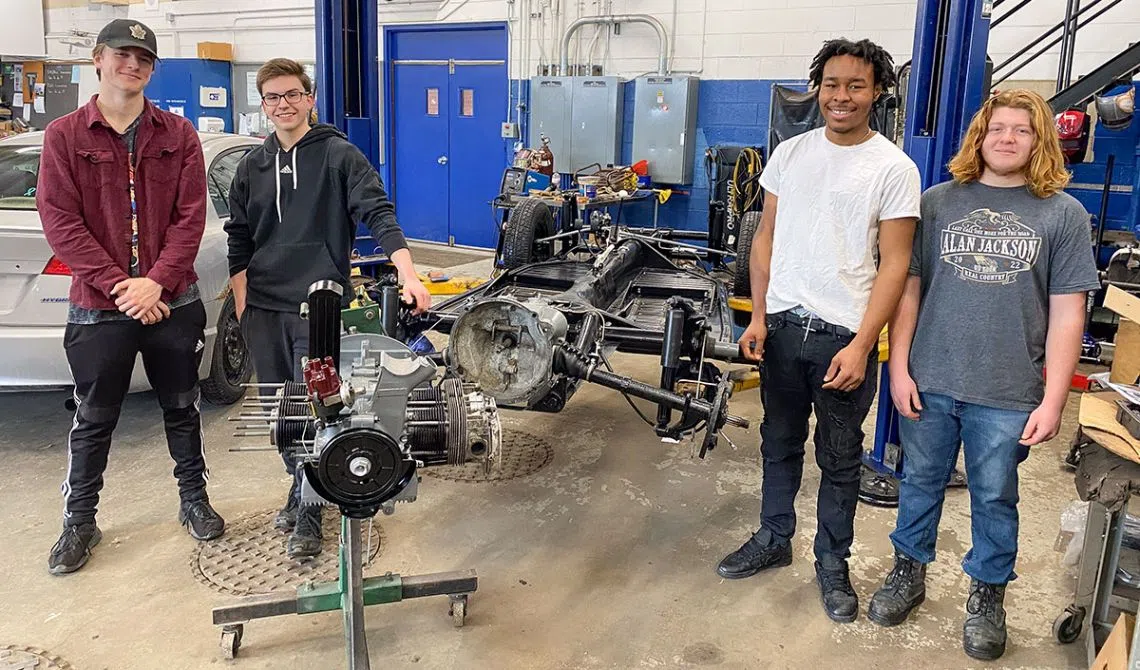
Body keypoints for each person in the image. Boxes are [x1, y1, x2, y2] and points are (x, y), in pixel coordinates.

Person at [867, 89, 1100, 660]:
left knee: (995, 496)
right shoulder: (939, 202)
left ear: (1038, 139)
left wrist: (1054, 401)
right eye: (998, 128)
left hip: (1008, 390)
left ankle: (988, 595)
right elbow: (909, 291)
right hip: (931, 378)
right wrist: (897, 367)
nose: (1007, 138)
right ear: (980, 135)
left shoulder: (1062, 214)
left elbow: (1070, 313)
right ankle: (908, 572)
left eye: (1021, 129)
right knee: (920, 482)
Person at [718, 38, 921, 624]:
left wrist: (863, 345)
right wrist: (757, 315)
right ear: (818, 88)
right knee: (777, 442)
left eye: (856, 86)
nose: (841, 96)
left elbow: (896, 264)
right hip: (782, 327)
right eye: (832, 84)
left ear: (876, 92)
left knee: (839, 457)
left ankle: (832, 562)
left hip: (842, 340)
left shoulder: (893, 168)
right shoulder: (790, 154)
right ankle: (773, 538)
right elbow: (766, 238)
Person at [37, 19, 225, 575]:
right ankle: (79, 521)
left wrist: (158, 282)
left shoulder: (179, 135)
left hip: (173, 300)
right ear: (98, 59)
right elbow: (60, 221)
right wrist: (125, 287)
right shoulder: (64, 135)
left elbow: (191, 220)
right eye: (123, 54)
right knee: (94, 417)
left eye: (144, 57)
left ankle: (194, 500)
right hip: (99, 305)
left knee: (182, 405)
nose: (133, 64)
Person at [225, 58, 431, 559]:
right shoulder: (252, 166)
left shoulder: (339, 155)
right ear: (263, 105)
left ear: (310, 98)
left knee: (321, 408)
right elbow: (239, 236)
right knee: (280, 410)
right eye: (272, 97)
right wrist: (241, 299)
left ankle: (312, 510)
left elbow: (378, 212)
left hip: (317, 308)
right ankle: (300, 486)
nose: (283, 105)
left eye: (292, 94)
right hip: (265, 309)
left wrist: (407, 270)